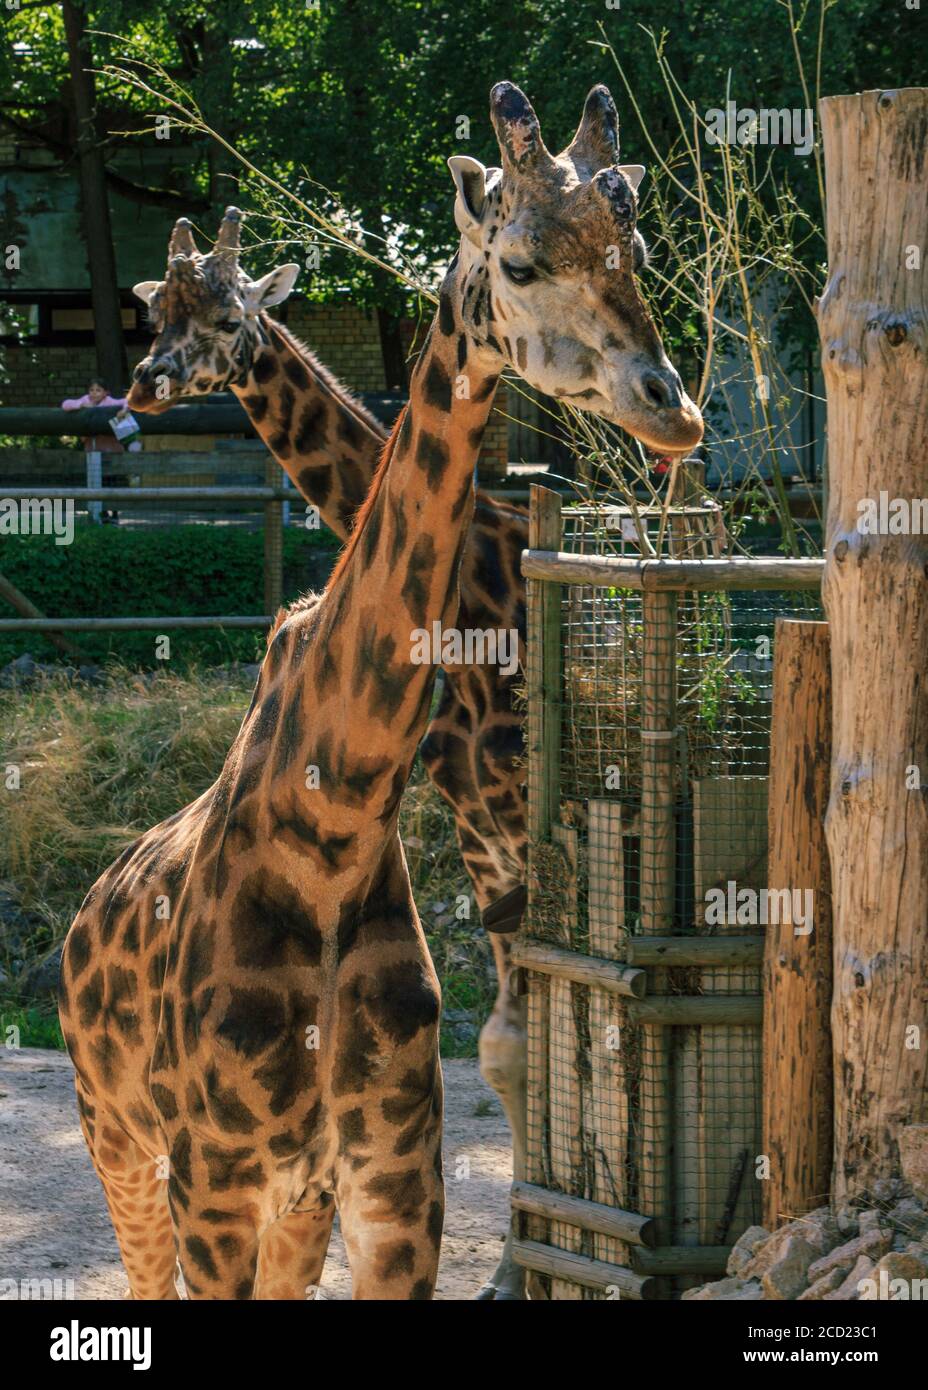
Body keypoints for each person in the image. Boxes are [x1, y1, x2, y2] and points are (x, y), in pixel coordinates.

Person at [60, 379, 140, 453]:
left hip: (111, 445)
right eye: (91, 390)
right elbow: (65, 404)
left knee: (122, 417)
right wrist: (81, 405)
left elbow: (127, 401)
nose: (94, 393)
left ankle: (132, 443)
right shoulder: (86, 400)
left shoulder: (109, 401)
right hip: (91, 445)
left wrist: (124, 410)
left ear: (105, 393)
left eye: (98, 390)